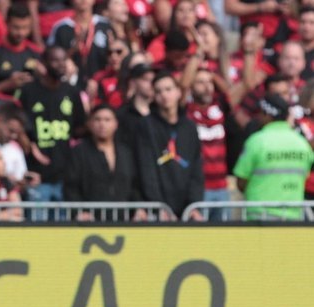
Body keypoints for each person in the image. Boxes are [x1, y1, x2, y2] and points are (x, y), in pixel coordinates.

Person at [18, 46, 87, 219]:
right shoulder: (28, 91)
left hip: (65, 177)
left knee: (62, 234)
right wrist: (29, 144)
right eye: (55, 60)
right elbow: (17, 124)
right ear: (43, 63)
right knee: (37, 232)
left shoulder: (72, 92)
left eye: (64, 60)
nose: (61, 64)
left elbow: (81, 128)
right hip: (38, 177)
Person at [134, 72, 204, 221]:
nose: (164, 95)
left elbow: (196, 168)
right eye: (159, 91)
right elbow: (146, 169)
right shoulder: (145, 125)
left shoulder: (189, 127)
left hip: (187, 208)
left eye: (168, 89)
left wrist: (193, 205)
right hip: (158, 210)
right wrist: (159, 205)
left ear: (179, 92)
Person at [233, 94, 314, 220]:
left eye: (260, 113)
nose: (258, 117)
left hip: (260, 216)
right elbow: (305, 175)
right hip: (293, 216)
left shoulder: (256, 141)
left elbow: (241, 182)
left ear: (267, 115)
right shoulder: (302, 143)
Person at [64, 104, 141, 221]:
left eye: (107, 120)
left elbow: (134, 185)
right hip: (89, 221)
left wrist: (138, 208)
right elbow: (70, 186)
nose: (102, 124)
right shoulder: (79, 152)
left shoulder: (126, 153)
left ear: (116, 124)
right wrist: (79, 212)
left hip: (124, 220)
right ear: (89, 124)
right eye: (97, 119)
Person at [184, 69, 231, 220]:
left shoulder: (220, 110)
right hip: (199, 189)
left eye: (209, 82)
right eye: (200, 82)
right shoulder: (187, 113)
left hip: (222, 188)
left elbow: (232, 91)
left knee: (223, 241)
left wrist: (214, 75)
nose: (207, 86)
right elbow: (182, 86)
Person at [47, 0, 115, 88]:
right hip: (71, 86)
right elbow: (50, 60)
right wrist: (72, 50)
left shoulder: (105, 25)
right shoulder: (61, 28)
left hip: (102, 85)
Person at [0, 3, 43, 96]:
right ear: (6, 23)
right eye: (16, 27)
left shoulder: (36, 53)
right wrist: (7, 84)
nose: (21, 33)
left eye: (25, 28)